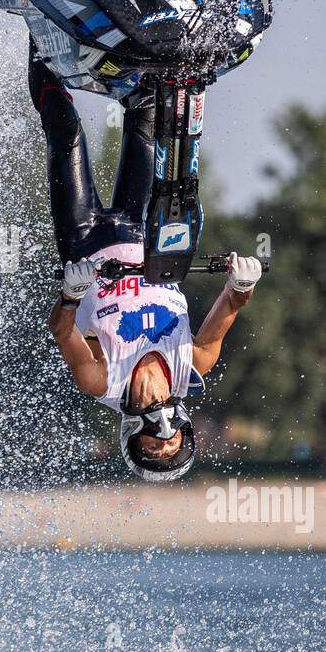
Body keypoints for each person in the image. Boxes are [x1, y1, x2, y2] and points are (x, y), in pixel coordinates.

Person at [29, 45, 262, 481]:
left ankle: (42, 41)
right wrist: (242, 286)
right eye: (174, 439)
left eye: (155, 443)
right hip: (143, 230)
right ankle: (139, 41)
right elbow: (229, 307)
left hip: (84, 240)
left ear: (133, 433)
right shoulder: (193, 365)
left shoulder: (103, 382)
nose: (165, 432)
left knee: (66, 134)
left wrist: (71, 294)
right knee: (145, 118)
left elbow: (61, 330)